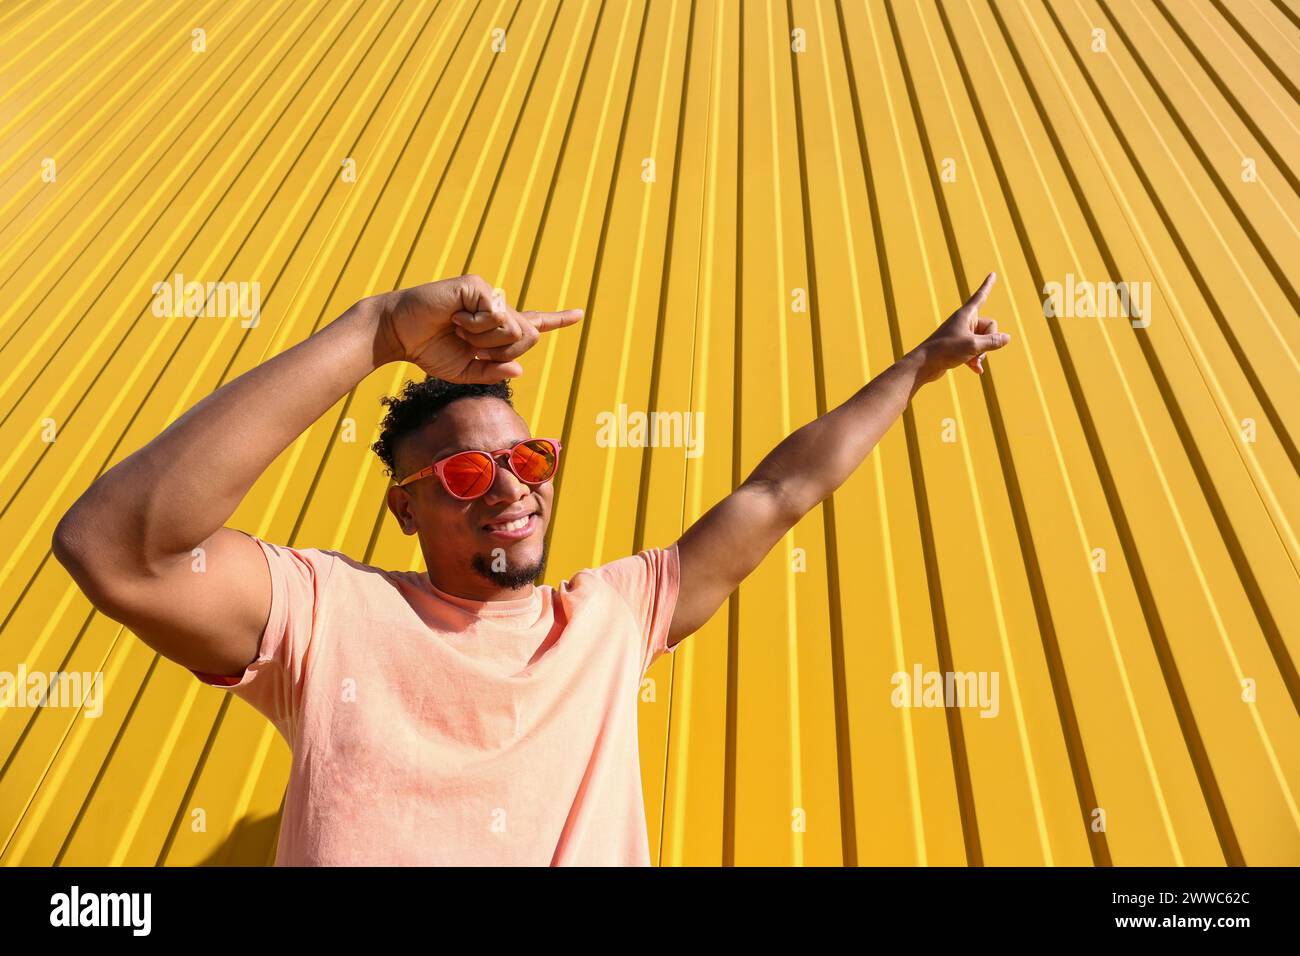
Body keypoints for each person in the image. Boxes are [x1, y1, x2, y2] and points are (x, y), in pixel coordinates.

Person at [52, 272, 1010, 865]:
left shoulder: (609, 617)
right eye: (467, 470)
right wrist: (377, 331)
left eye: (530, 459)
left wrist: (918, 367)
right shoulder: (323, 613)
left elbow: (778, 492)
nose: (509, 487)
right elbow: (115, 549)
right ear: (407, 505)